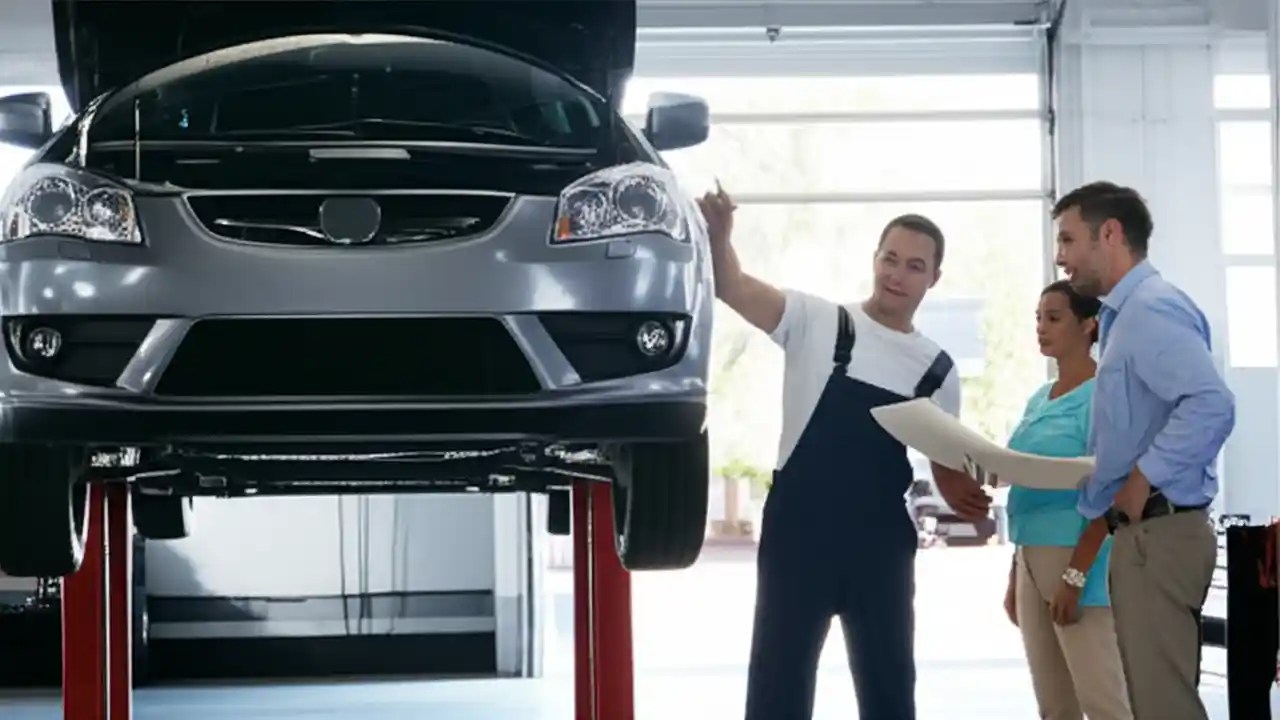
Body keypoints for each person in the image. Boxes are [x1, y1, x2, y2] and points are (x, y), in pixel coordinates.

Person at [697, 182, 992, 720]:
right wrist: (720, 236)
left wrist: (972, 490)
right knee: (776, 686)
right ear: (875, 259)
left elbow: (947, 466)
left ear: (934, 278)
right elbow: (732, 285)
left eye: (914, 266)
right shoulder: (816, 321)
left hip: (879, 545)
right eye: (890, 259)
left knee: (889, 688)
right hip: (798, 536)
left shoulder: (937, 370)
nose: (896, 275)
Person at [1052, 181, 1235, 720]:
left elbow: (1211, 404)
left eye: (1068, 239)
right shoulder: (1127, 315)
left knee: (1164, 707)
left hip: (1159, 532)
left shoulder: (1149, 311)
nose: (1060, 257)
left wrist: (1142, 477)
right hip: (1145, 534)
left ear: (1109, 234)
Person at [1001, 279, 1132, 720]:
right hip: (1030, 556)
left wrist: (1076, 574)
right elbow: (1023, 478)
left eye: (1053, 318)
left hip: (1078, 556)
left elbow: (1112, 491)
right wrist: (1015, 575)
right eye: (1038, 318)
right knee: (1054, 706)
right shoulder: (1039, 398)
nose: (1041, 327)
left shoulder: (1102, 395)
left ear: (1089, 325)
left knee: (1102, 700)